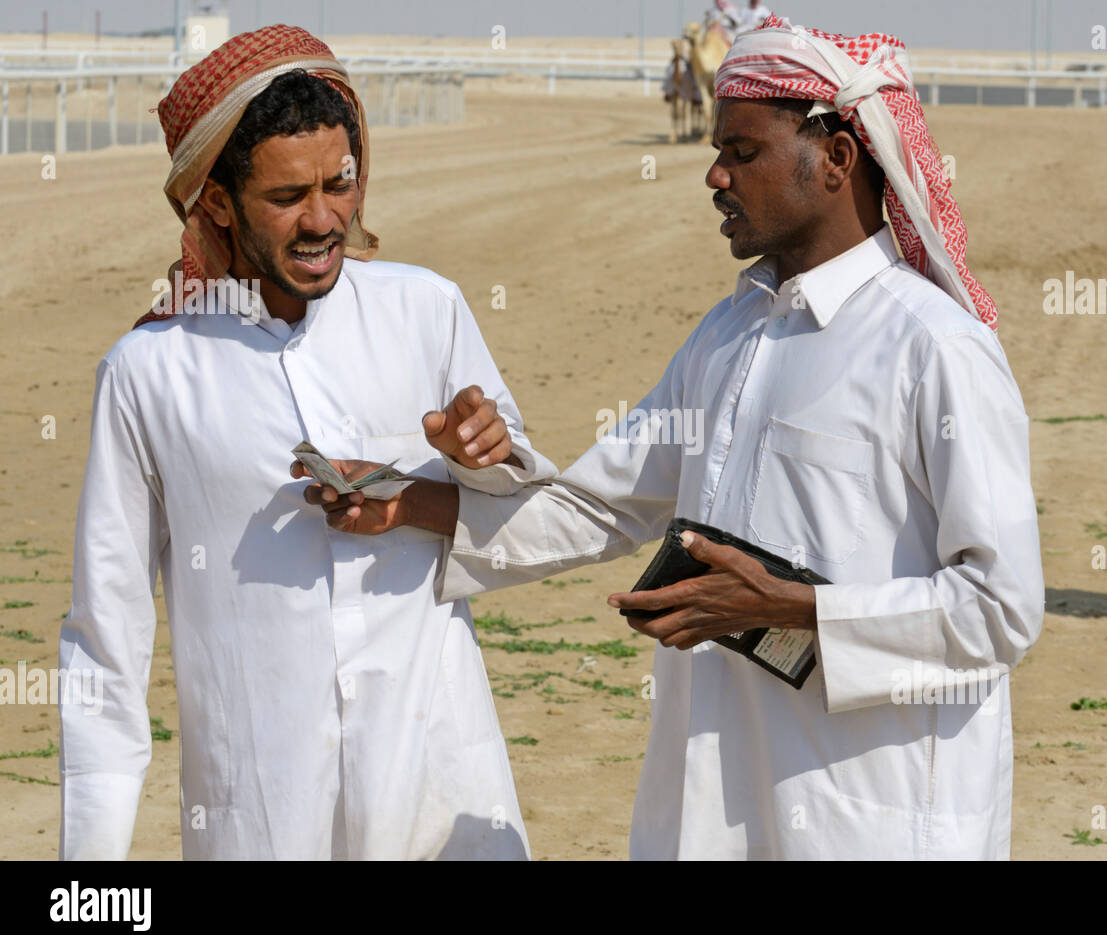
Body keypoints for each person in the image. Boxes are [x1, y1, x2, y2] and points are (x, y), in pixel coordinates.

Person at [306, 17, 1044, 859]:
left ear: (836, 158)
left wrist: (797, 611)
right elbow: (601, 504)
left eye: (742, 151)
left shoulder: (935, 348)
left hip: (869, 812)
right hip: (713, 805)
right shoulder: (727, 335)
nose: (714, 174)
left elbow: (1002, 608)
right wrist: (409, 500)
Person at [58, 25, 554, 860]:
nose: (325, 219)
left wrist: (492, 461)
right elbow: (106, 640)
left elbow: (536, 523)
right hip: (262, 809)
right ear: (216, 201)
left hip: (438, 786)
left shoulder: (425, 310)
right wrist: (91, 866)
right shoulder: (149, 372)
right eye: (289, 196)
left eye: (341, 184)